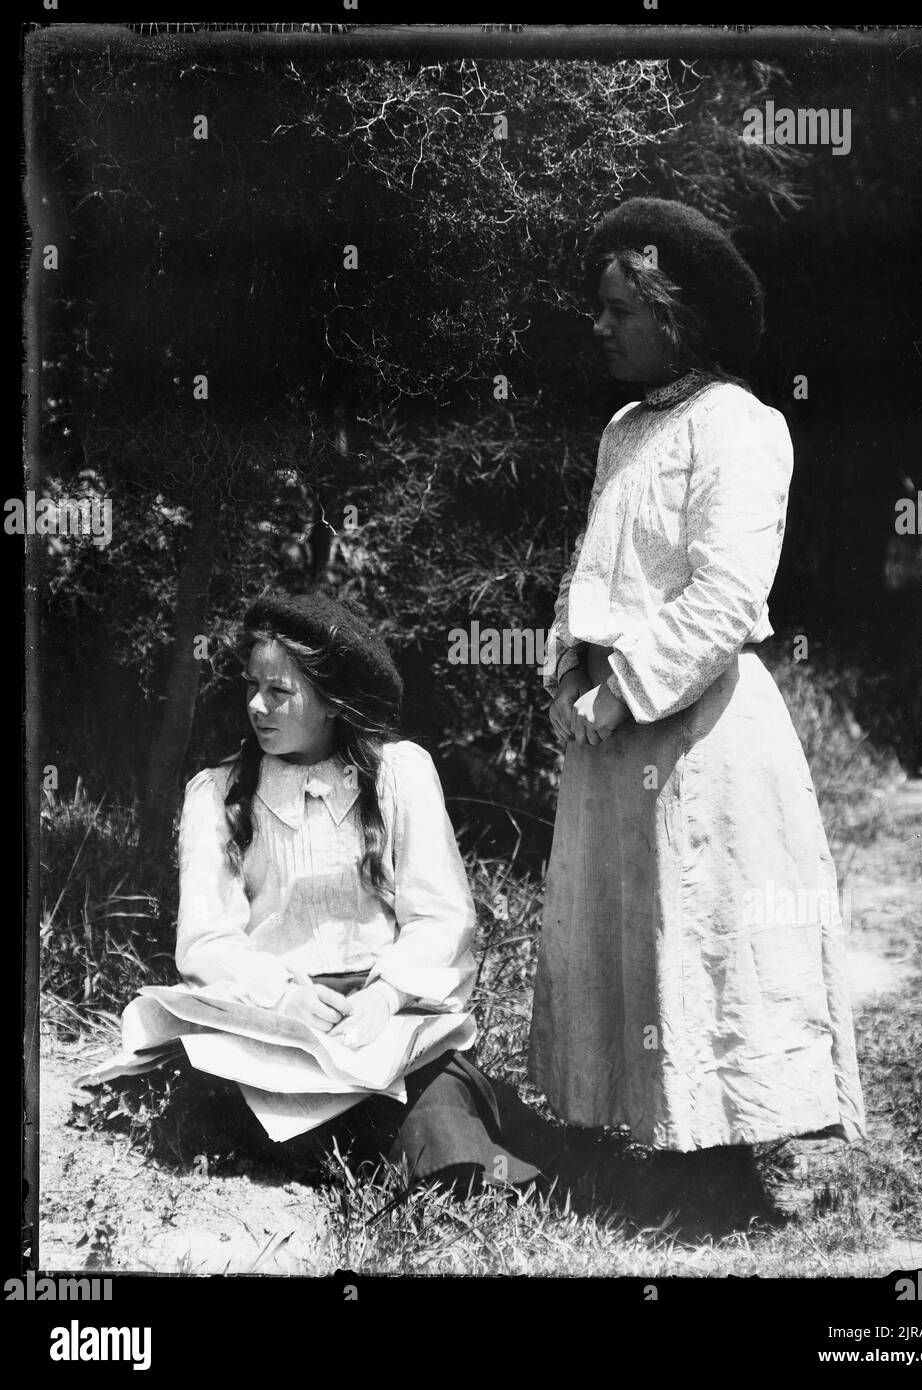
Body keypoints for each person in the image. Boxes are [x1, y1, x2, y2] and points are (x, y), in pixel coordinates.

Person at [528, 198, 866, 1214]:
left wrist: (626, 690)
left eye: (619, 308)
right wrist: (566, 674)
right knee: (619, 923)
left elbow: (726, 595)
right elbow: (591, 570)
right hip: (607, 729)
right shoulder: (626, 430)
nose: (600, 325)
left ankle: (717, 1167)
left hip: (695, 730)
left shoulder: (738, 426)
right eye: (599, 307)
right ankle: (639, 1138)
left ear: (677, 317)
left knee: (698, 928)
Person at [94, 590, 538, 1193]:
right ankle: (348, 1144)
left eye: (279, 693)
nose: (257, 705)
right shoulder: (218, 794)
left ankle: (425, 1137)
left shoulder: (399, 775)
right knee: (231, 1106)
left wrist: (386, 997)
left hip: (382, 1018)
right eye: (251, 686)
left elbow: (442, 917)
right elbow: (207, 940)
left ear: (331, 700)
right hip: (273, 1019)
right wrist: (281, 997)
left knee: (440, 1139)